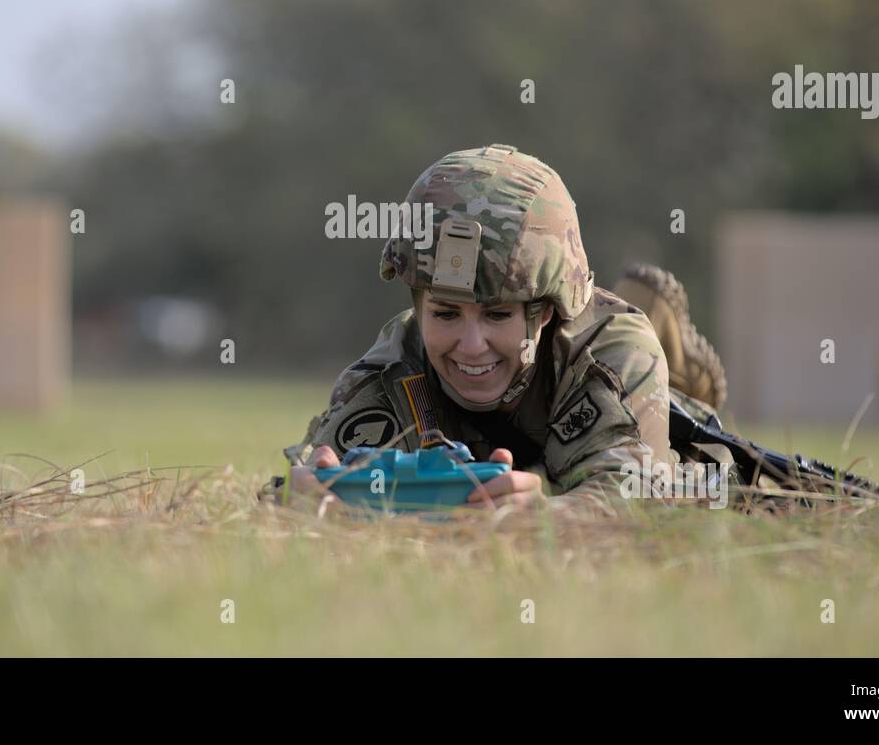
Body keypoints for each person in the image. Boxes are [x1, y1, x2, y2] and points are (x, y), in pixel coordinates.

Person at [261, 144, 729, 514]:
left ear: (545, 311)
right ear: (416, 305)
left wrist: (544, 517)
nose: (470, 345)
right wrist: (308, 495)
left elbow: (638, 496)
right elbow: (288, 498)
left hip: (611, 417)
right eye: (445, 314)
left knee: (701, 471)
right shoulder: (391, 373)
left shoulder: (609, 353)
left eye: (498, 315)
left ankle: (673, 380)